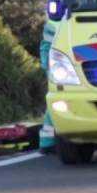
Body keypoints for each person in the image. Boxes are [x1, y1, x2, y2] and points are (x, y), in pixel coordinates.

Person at [38, 17, 59, 153]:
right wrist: (48, 65)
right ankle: (47, 142)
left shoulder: (53, 22)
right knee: (55, 103)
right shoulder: (53, 23)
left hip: (58, 66)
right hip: (60, 67)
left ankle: (47, 141)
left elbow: (45, 46)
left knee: (53, 104)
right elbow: (46, 45)